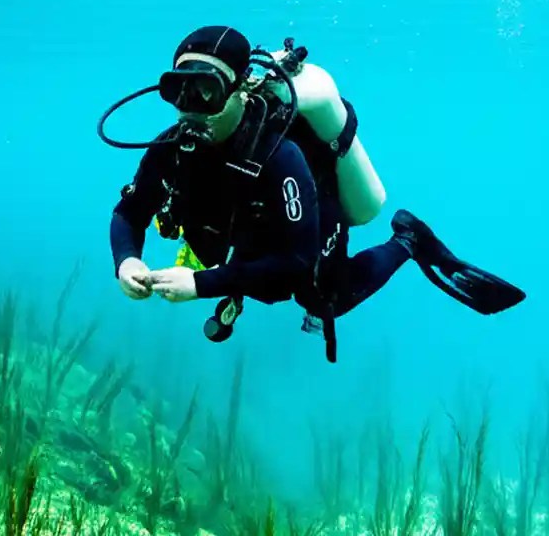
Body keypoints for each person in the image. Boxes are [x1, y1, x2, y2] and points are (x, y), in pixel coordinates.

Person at [100, 25, 524, 362]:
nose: (190, 105)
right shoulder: (170, 148)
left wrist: (202, 283)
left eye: (206, 90)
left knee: (325, 297)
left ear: (240, 89)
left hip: (307, 222)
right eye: (178, 90)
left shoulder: (279, 156)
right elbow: (129, 213)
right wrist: (127, 260)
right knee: (243, 263)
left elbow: (297, 258)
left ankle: (407, 241)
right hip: (245, 233)